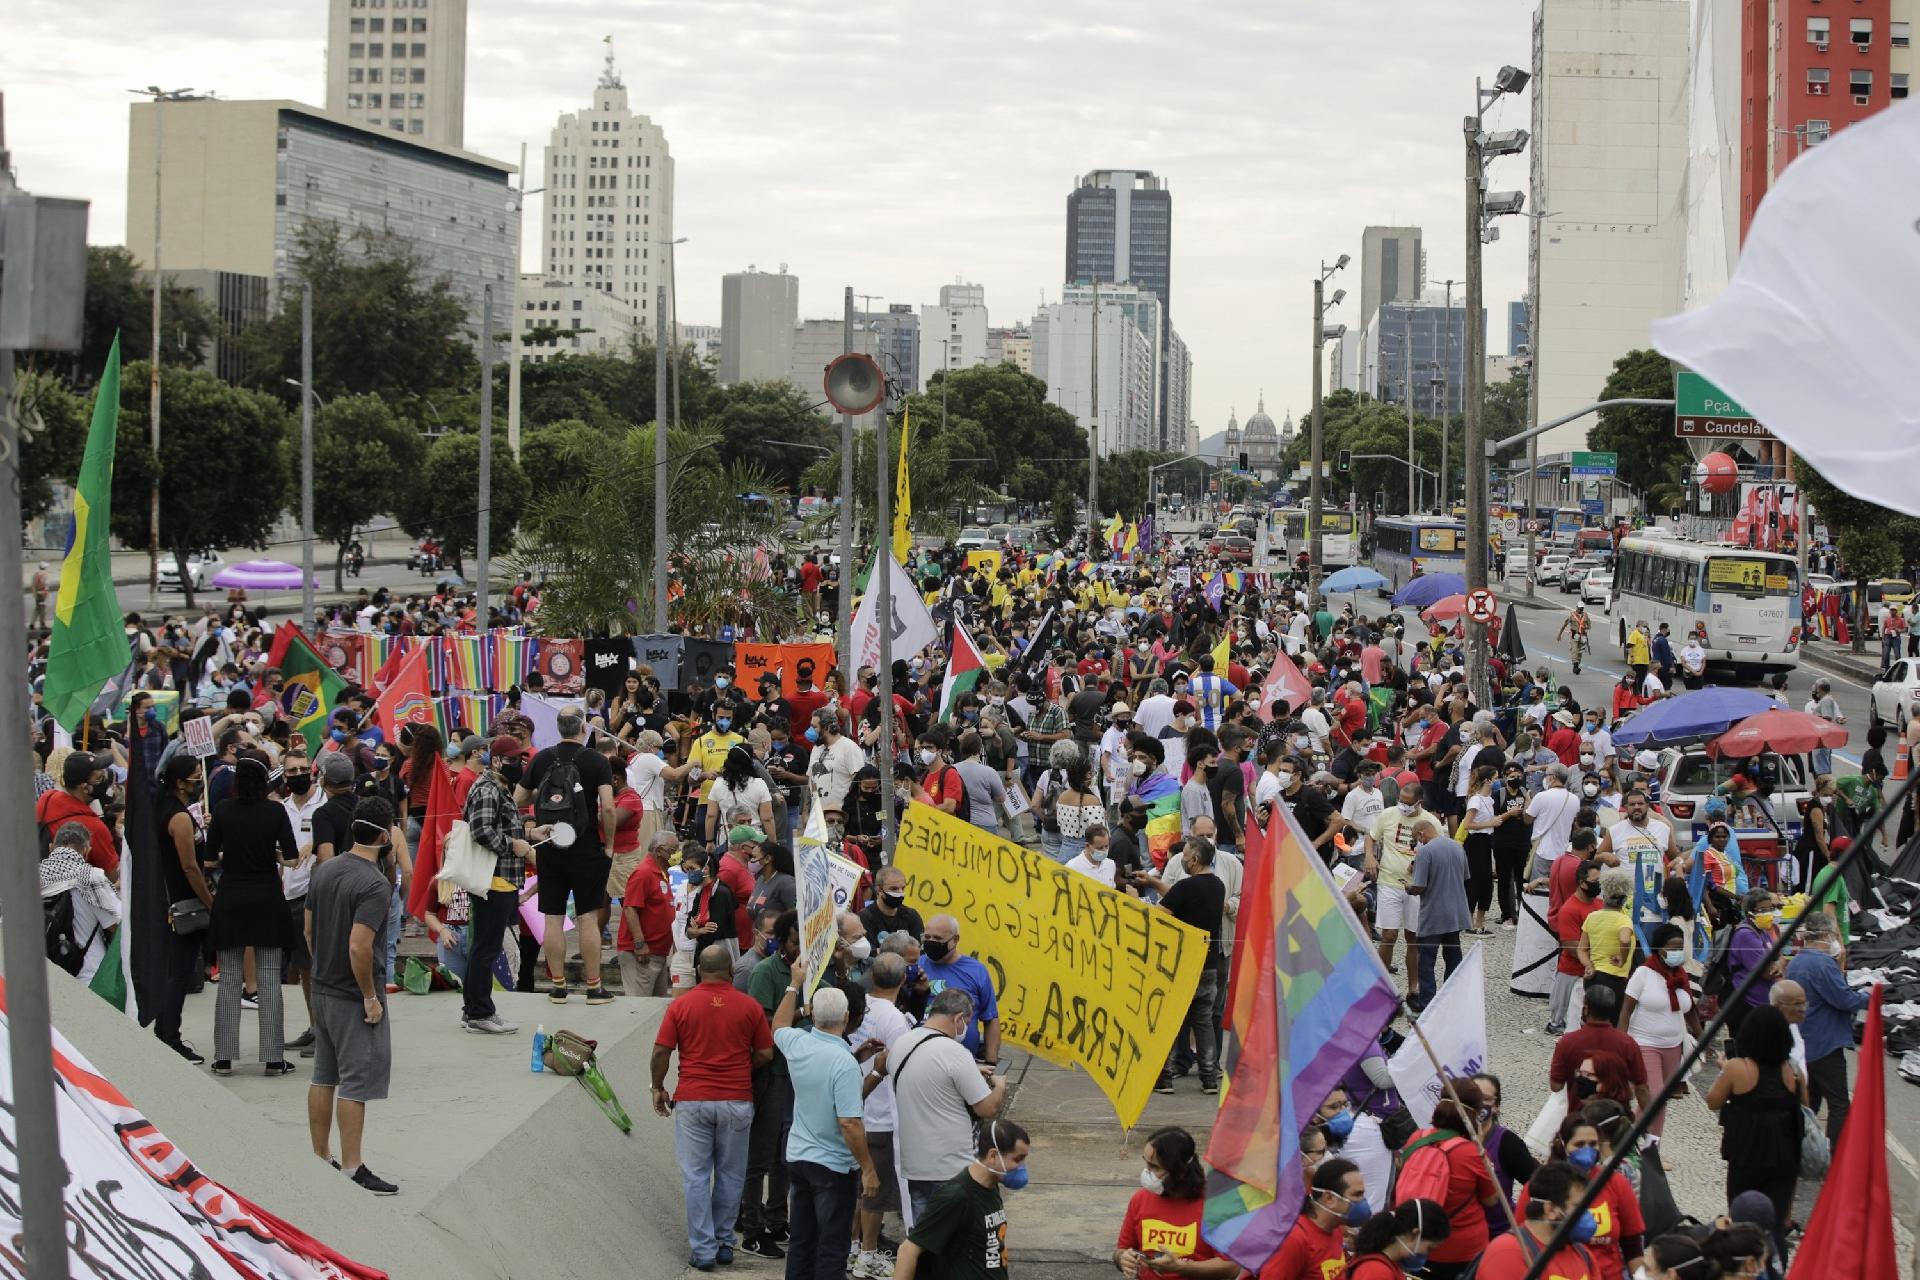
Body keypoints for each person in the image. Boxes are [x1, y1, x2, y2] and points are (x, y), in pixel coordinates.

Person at [652, 944, 777, 1271]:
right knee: (730, 1175)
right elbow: (766, 1053)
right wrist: (741, 1067)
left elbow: (661, 1051)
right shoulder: (749, 1006)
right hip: (737, 1099)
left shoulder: (681, 1005)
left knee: (696, 1176)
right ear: (731, 970)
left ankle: (703, 1250)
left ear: (698, 970)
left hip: (693, 1098)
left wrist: (657, 1087)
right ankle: (723, 1242)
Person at [304, 795, 403, 1196]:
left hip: (322, 988)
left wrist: (322, 968)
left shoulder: (325, 870)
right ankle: (352, 1166)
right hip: (350, 995)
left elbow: (309, 931)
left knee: (322, 1075)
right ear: (384, 836)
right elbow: (359, 946)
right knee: (354, 1083)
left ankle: (319, 1155)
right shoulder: (374, 884)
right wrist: (369, 996)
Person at [771, 960, 881, 1280]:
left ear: (813, 1016)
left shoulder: (799, 1044)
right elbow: (849, 1123)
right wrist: (868, 1169)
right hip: (833, 1166)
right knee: (832, 1248)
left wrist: (794, 983)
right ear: (846, 1018)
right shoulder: (842, 1062)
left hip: (800, 1157)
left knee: (802, 1243)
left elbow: (778, 1025)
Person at [207, 750, 302, 1078]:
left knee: (230, 978)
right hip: (267, 898)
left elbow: (209, 859)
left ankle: (223, 1057)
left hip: (231, 897)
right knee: (269, 977)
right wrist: (270, 853)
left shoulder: (222, 810)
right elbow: (291, 858)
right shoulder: (275, 811)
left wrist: (232, 852)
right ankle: (273, 1057)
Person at [517, 709, 617, 1004]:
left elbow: (518, 798)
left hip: (549, 844)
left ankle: (558, 986)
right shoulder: (597, 760)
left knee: (553, 917)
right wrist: (609, 845)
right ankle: (593, 987)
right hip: (586, 846)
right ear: (583, 729)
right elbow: (608, 807)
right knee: (588, 917)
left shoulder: (541, 758)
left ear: (558, 728)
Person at [888, 988, 1009, 1224]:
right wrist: (1000, 1087)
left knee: (925, 1236)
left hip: (915, 1166)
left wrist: (970, 1071)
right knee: (959, 1238)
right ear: (958, 1018)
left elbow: (929, 1076)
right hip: (952, 1167)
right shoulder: (955, 1053)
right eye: (968, 1023)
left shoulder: (901, 1044)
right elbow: (986, 1108)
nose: (966, 1030)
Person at [1707, 1005, 1804, 1258]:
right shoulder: (1793, 1071)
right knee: (1776, 1223)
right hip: (1784, 1157)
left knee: (1741, 1220)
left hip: (1746, 1155)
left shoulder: (1738, 1068)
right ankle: (1776, 1267)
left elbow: (1713, 1101)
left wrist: (1724, 1069)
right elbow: (1804, 1105)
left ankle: (1744, 1266)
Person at [460, 736, 540, 1036]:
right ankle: (481, 1012)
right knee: (487, 947)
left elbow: (497, 826)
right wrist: (513, 845)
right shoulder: (488, 788)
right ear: (495, 760)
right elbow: (481, 830)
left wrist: (529, 835)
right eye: (511, 759)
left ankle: (473, 1009)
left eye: (521, 759)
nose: (518, 765)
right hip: (494, 879)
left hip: (500, 878)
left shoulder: (497, 787)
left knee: (483, 946)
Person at [1137, 837, 1225, 1094]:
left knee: (1168, 1021)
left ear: (1194, 860)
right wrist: (1153, 882)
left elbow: (1159, 915)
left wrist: (1135, 900)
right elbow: (1179, 899)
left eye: (1184, 857)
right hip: (1208, 966)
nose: (1182, 861)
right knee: (1204, 1022)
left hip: (1182, 967)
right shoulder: (1217, 885)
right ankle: (1209, 1077)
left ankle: (1164, 1077)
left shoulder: (1186, 886)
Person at [892, 1119, 1031, 1280]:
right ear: (993, 1155)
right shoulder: (956, 1197)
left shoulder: (991, 1185)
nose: (1022, 1167)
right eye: (1017, 1159)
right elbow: (907, 1251)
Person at [849, 953, 916, 1280]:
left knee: (859, 1190)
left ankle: (852, 1248)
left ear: (872, 976)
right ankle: (868, 1255)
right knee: (874, 1191)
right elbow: (903, 1065)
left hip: (855, 1110)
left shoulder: (858, 1006)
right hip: (882, 1116)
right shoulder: (894, 1019)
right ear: (903, 980)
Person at [1393, 1082, 1500, 1279]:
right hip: (1463, 1250)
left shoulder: (1416, 1138)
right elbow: (1491, 1199)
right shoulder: (1471, 1153)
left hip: (1417, 1242)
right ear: (1473, 1115)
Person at [1782, 911, 1871, 1143]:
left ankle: (1803, 1150)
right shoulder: (1822, 964)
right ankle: (1832, 1155)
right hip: (1826, 1044)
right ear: (1824, 934)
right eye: (1833, 934)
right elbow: (1844, 999)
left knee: (1810, 1102)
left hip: (1805, 1041)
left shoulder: (1797, 961)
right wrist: (1870, 997)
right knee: (1839, 1104)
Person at [1112, 1127, 1237, 1279]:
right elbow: (1122, 1249)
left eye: (1155, 1167)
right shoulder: (1140, 1199)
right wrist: (1122, 1259)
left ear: (1181, 1170)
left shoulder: (1216, 1205)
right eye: (1146, 1163)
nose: (1147, 1172)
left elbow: (1232, 1267)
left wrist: (1183, 1268)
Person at [154, 753, 214, 1063]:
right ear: (180, 782)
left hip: (172, 901)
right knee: (178, 974)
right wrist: (209, 902)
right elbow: (190, 867)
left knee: (174, 973)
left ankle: (165, 1031)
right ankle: (169, 1037)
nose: (198, 781)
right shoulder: (178, 818)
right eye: (195, 776)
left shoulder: (166, 809)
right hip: (184, 905)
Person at [1619, 923, 1697, 1138]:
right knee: (1655, 1099)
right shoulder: (1643, 974)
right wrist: (1621, 1042)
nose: (1677, 952)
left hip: (1673, 1046)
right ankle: (1649, 1148)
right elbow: (1625, 1011)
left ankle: (1628, 1138)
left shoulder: (1681, 976)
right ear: (1659, 948)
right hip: (1644, 1044)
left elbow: (1690, 1010)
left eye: (1680, 947)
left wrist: (1702, 1037)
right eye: (1672, 948)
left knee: (1655, 1101)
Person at [1474, 1163, 1602, 1280]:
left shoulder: (1584, 1255)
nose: (1588, 1215)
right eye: (1579, 1206)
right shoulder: (1506, 1254)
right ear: (1550, 1210)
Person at [1368, 780, 1439, 979]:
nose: (1403, 806)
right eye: (1401, 801)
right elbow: (1371, 836)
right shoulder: (1388, 814)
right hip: (1389, 881)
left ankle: (1413, 987)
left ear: (1419, 802)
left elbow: (1438, 850)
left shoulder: (1430, 822)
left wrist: (1419, 864)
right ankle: (1381, 983)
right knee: (1389, 935)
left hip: (1417, 887)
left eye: (1408, 803)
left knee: (1413, 937)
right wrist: (1369, 856)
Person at [1252, 1156, 1366, 1280]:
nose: (1363, 1201)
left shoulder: (1336, 1230)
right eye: (1357, 1195)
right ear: (1329, 1198)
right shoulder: (1294, 1239)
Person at [1550, 986, 1652, 1113]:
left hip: (1580, 1117)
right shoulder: (1628, 1044)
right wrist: (1649, 1120)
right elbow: (1641, 1088)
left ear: (1586, 1009)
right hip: (1616, 1118)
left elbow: (1556, 1086)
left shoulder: (1567, 1042)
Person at [919, 915, 1002, 1064]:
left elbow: (990, 1018)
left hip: (963, 1062)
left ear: (955, 940)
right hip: (922, 1058)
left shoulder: (976, 971)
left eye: (938, 938)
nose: (931, 942)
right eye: (927, 937)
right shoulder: (917, 965)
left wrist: (991, 1062)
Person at [1470, 1074, 1538, 1237]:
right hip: (1464, 1236)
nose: (1479, 1104)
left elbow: (1538, 1184)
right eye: (1473, 1097)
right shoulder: (1452, 1138)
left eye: (1486, 1099)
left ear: (1496, 1106)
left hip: (1498, 1234)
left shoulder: (1508, 1143)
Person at [618, 830, 680, 998]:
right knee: (639, 1005)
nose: (677, 854)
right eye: (673, 850)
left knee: (656, 1004)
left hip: (658, 952)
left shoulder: (661, 872)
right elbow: (630, 908)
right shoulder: (643, 873)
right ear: (659, 851)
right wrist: (640, 944)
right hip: (642, 953)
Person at [1546, 859, 1602, 1036]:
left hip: (1593, 969)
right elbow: (1572, 947)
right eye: (1595, 881)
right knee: (1560, 1020)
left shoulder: (1599, 904)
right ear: (1582, 883)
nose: (1599, 885)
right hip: (1572, 972)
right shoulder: (1569, 910)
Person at [1724, 889, 1784, 1039]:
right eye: (1762, 910)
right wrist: (1778, 964)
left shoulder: (1762, 931)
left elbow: (1780, 957)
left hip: (1761, 1003)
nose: (1768, 913)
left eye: (1770, 909)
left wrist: (1778, 963)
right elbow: (1767, 973)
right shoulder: (1746, 935)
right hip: (1747, 1004)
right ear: (1750, 912)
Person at [1577, 866, 1637, 1014]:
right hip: (1614, 979)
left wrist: (1589, 965)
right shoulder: (1624, 920)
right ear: (1624, 899)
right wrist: (1622, 958)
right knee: (1612, 1020)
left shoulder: (1592, 917)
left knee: (1592, 1018)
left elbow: (1582, 950)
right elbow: (1624, 940)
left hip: (1593, 977)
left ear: (1604, 896)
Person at [1345, 1198, 1452, 1280]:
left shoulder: (1387, 1263)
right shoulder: (1377, 1271)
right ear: (1415, 1234)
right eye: (1429, 1248)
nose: (1426, 1255)